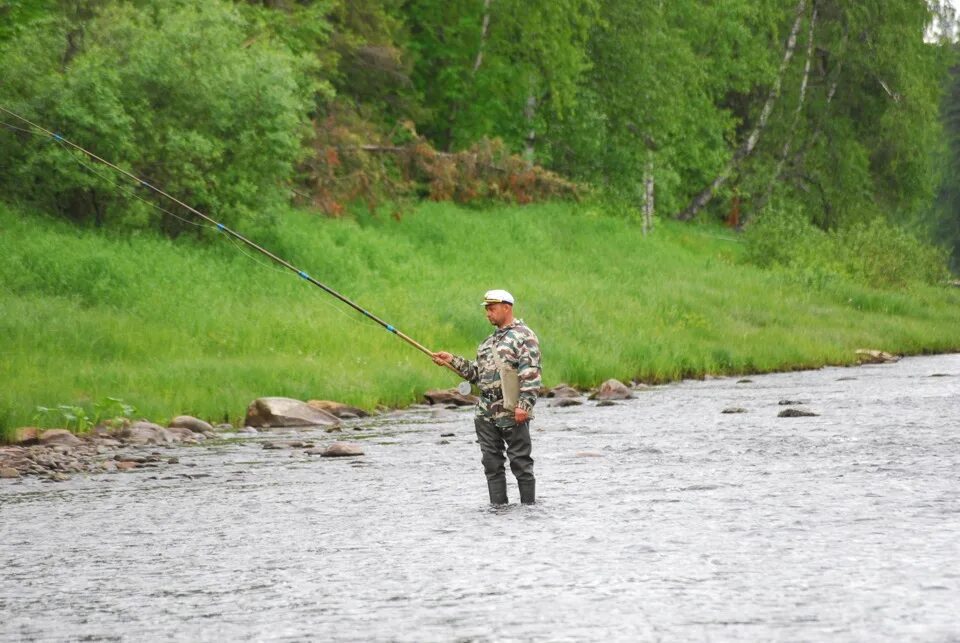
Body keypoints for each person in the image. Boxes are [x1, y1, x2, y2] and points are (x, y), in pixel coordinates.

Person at [432, 289, 542, 505]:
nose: (488, 313)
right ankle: (497, 510)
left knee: (520, 462)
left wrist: (524, 405)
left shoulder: (524, 336)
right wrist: (451, 361)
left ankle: (529, 511)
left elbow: (531, 373)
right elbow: (476, 374)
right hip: (485, 411)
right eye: (487, 309)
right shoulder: (486, 343)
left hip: (511, 408)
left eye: (492, 309)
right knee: (491, 464)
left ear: (506, 307)